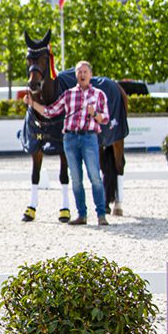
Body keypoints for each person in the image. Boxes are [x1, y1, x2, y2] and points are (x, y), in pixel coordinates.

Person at [24, 60, 110, 226]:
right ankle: (81, 214)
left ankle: (101, 214)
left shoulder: (99, 95)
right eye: (79, 72)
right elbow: (50, 111)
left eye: (85, 71)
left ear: (90, 75)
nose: (82, 74)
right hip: (70, 139)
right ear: (76, 75)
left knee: (95, 177)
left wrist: (95, 115)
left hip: (89, 138)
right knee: (76, 179)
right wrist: (32, 104)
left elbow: (105, 118)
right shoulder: (68, 94)